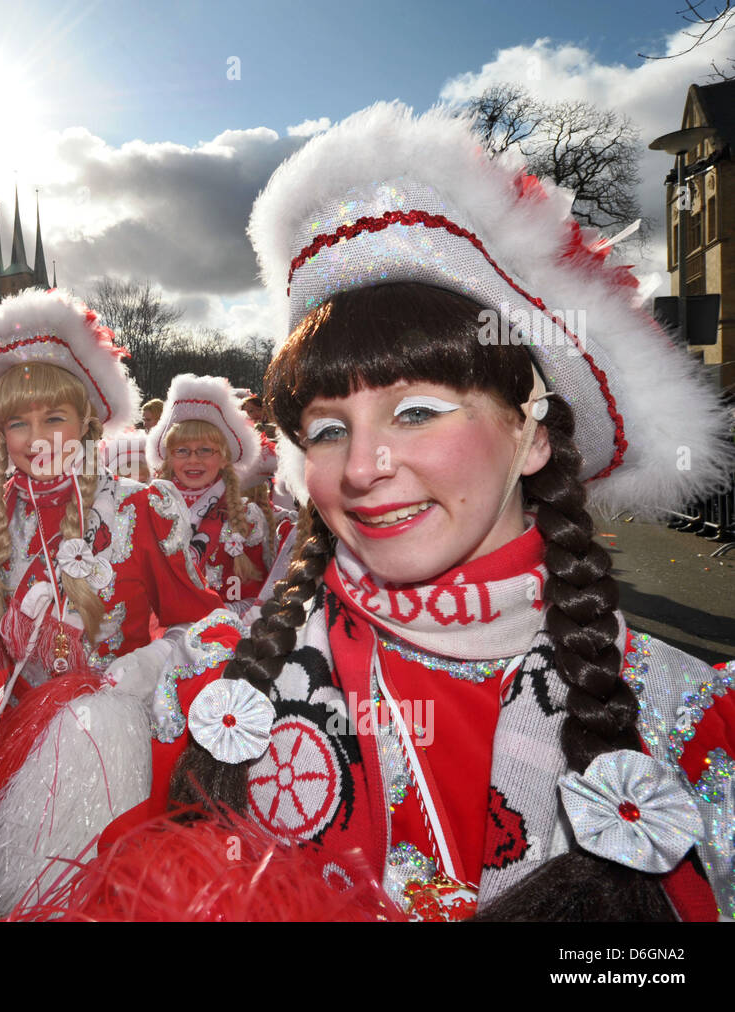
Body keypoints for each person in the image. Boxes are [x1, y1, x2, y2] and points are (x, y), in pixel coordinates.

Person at [167, 103, 735, 921]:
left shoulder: (684, 722)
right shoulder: (207, 688)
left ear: (531, 435)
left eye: (419, 411)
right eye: (327, 429)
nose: (363, 468)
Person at [0, 288, 238, 914]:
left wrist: (139, 674)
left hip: (109, 751)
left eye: (53, 419)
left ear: (86, 423)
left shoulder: (142, 507)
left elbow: (213, 627)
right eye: (17, 422)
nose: (35, 438)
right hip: (10, 750)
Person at [145, 375, 273, 608]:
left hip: (220, 635)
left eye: (205, 450)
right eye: (182, 451)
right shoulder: (145, 509)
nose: (193, 460)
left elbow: (255, 596)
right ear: (168, 459)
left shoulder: (246, 516)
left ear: (224, 459)